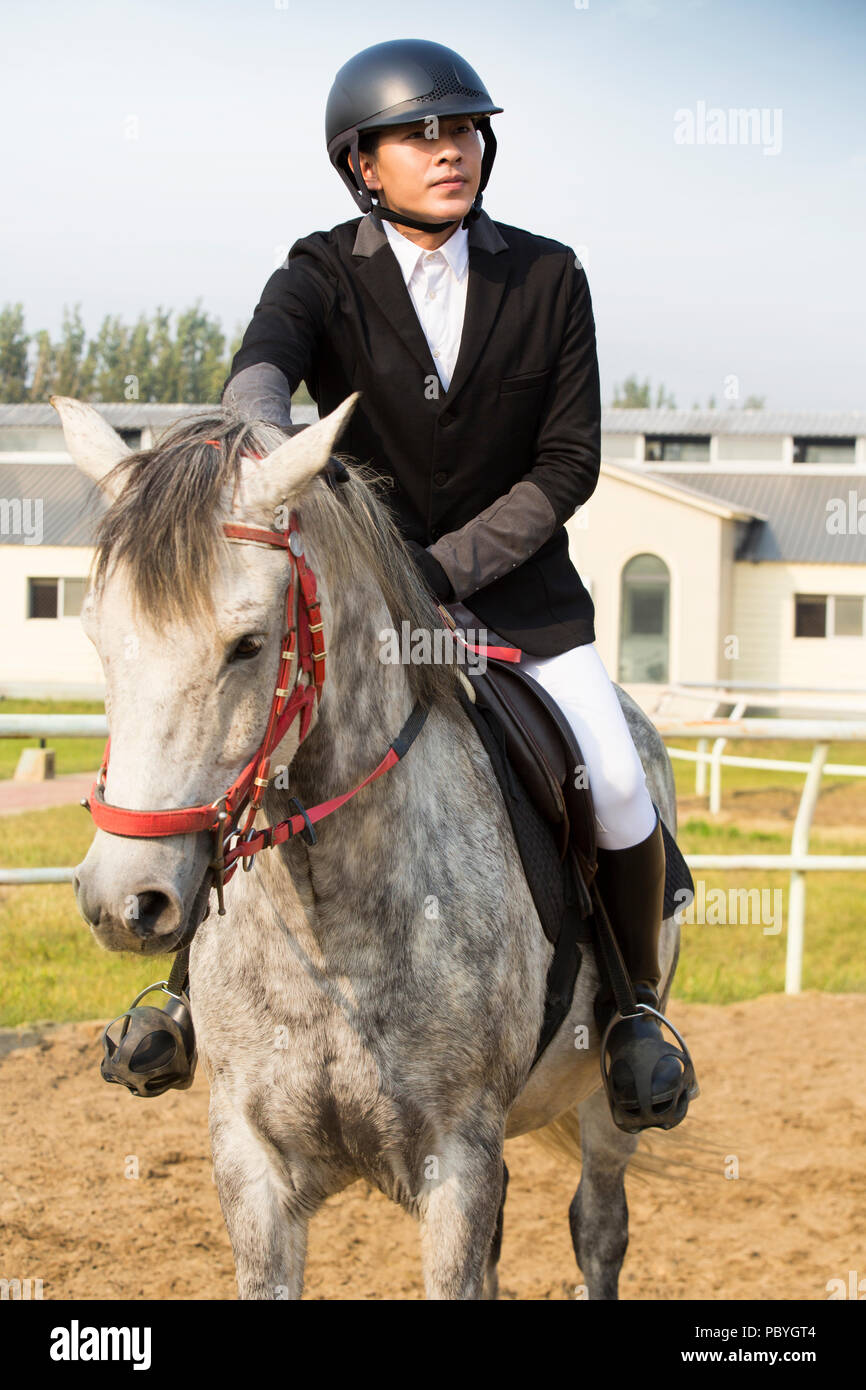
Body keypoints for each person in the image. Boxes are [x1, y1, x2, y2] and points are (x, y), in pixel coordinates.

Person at [222, 38, 697, 1133]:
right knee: (241, 747)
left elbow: (565, 463)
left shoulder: (547, 275)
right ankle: (181, 995)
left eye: (464, 129)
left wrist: (431, 574)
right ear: (362, 163)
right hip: (362, 618)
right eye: (420, 133)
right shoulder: (318, 271)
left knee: (619, 783)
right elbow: (261, 368)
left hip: (520, 604)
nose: (450, 149)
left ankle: (631, 1014)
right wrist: (259, 444)